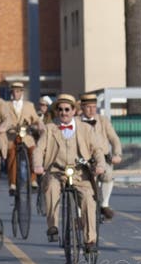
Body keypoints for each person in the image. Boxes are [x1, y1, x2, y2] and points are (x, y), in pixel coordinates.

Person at [33, 94, 106, 251]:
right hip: (56, 171)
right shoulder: (50, 129)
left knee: (88, 199)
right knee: (51, 188)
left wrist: (100, 164)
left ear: (74, 111)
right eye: (60, 110)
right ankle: (53, 227)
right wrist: (38, 165)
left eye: (67, 109)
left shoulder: (86, 129)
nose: (64, 113)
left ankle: (90, 240)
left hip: (80, 172)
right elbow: (39, 149)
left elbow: (98, 150)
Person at [77, 92, 123, 219]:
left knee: (108, 174)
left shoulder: (103, 120)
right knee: (77, 182)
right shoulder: (76, 122)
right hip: (83, 158)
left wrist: (117, 154)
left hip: (101, 157)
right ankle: (78, 214)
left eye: (93, 106)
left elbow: (114, 138)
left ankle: (104, 204)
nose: (91, 110)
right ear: (82, 107)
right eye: (88, 107)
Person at [0, 81, 44, 195]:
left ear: (22, 92)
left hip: (26, 135)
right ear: (11, 93)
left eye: (18, 91)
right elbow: (1, 119)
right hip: (12, 135)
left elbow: (36, 118)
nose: (15, 93)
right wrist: (2, 127)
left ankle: (33, 180)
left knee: (33, 151)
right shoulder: (6, 105)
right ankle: (12, 184)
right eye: (13, 91)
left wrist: (40, 125)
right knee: (11, 154)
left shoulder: (29, 105)